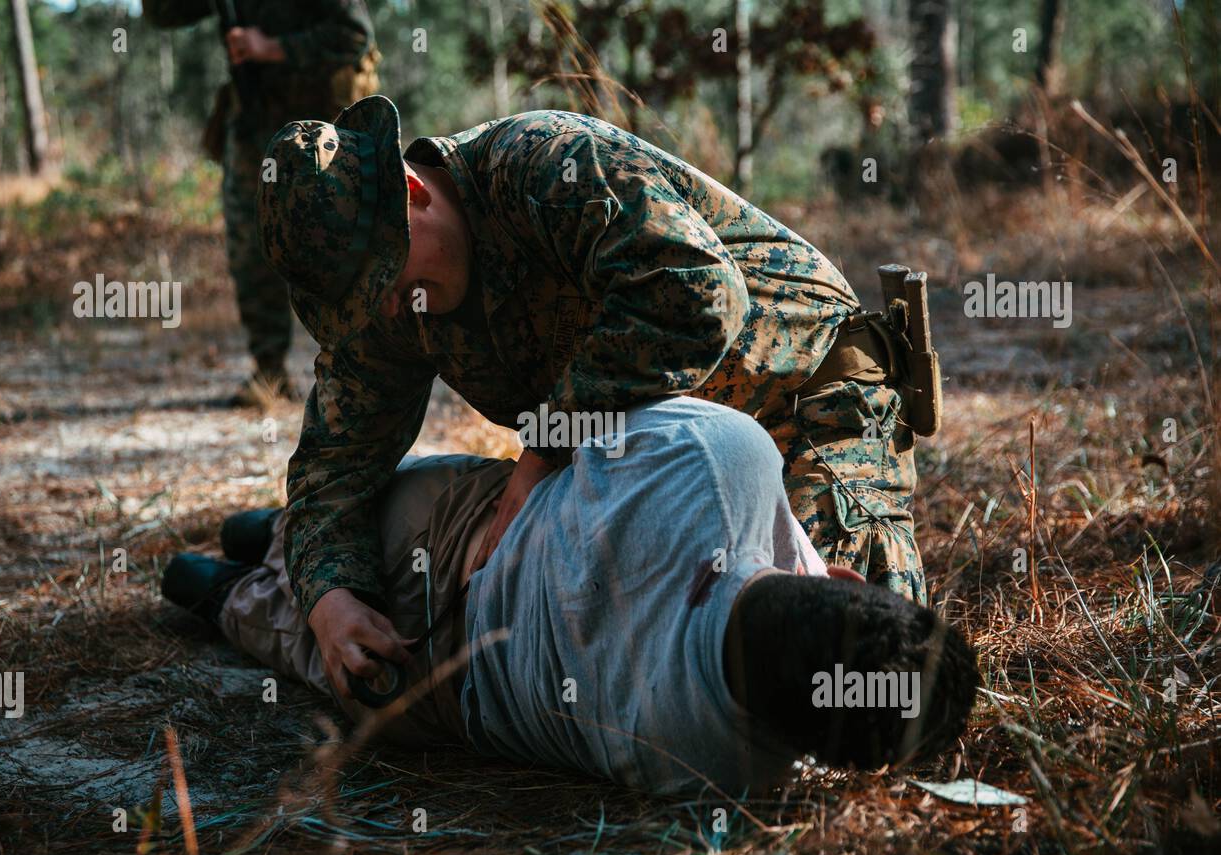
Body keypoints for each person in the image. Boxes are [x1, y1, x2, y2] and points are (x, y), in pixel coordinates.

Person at [254, 96, 931, 702]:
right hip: (657, 462)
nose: (387, 307)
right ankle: (246, 565)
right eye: (361, 300)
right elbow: (331, 474)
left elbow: (697, 296)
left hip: (807, 395)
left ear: (412, 192)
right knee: (650, 647)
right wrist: (331, 600)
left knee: (844, 671)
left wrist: (545, 448)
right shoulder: (385, 307)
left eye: (385, 278)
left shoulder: (544, 163)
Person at [162, 398, 977, 796]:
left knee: (329, 524)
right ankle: (230, 584)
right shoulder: (724, 773)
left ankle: (269, 533)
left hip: (448, 529)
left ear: (841, 580)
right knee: (242, 602)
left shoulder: (722, 452)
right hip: (428, 685)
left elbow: (574, 409)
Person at [144, 0, 380, 404]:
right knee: (250, 247)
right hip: (252, 126)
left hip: (318, 131)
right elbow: (164, 13)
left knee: (336, 246)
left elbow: (355, 36)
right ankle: (269, 371)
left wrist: (272, 47)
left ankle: (360, 370)